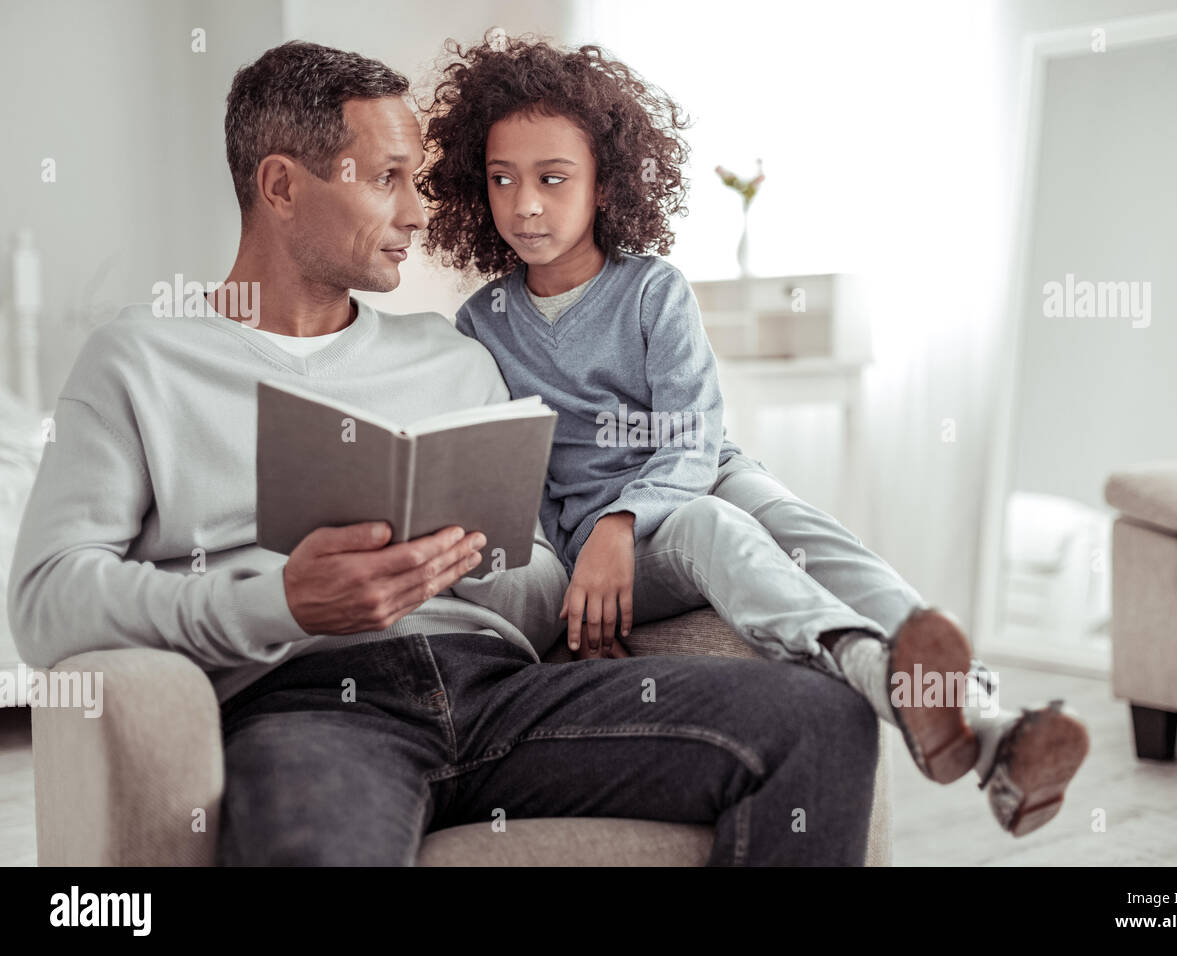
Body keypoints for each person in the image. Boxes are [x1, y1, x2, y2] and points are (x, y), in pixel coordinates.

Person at [7, 40, 888, 865]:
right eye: (387, 180)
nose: (418, 213)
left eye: (417, 180)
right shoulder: (141, 360)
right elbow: (46, 603)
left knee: (821, 720)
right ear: (281, 186)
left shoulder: (453, 355)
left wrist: (463, 564)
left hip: (501, 690)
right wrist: (281, 600)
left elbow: (542, 576)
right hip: (310, 709)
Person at [420, 33, 1088, 837]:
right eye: (502, 179)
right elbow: (516, 477)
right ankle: (878, 673)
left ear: (603, 185)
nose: (525, 203)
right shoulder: (481, 325)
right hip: (630, 539)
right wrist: (592, 556)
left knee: (801, 525)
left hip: (692, 471)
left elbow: (694, 438)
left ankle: (985, 721)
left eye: (553, 179)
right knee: (711, 526)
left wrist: (624, 516)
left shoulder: (651, 289)